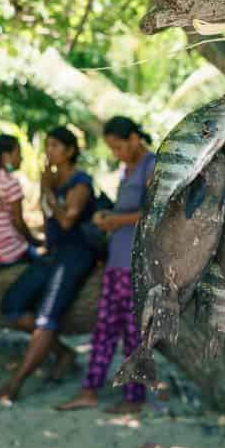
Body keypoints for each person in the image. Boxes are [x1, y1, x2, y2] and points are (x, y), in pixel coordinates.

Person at [0, 127, 99, 402]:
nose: (48, 151)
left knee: (45, 318)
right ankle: (63, 353)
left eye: (55, 146)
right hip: (53, 253)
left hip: (77, 255)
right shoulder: (50, 179)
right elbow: (48, 220)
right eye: (47, 145)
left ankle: (14, 385)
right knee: (11, 306)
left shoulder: (81, 182)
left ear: (70, 151)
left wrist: (47, 188)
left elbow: (65, 220)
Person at [57, 117, 155, 414]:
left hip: (139, 265)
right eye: (112, 149)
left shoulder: (153, 166)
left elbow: (157, 212)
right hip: (117, 262)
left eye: (119, 146)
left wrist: (116, 221)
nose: (117, 153)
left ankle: (133, 398)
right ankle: (90, 390)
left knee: (133, 335)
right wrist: (109, 218)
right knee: (104, 331)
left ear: (136, 138)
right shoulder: (128, 170)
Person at [0, 134, 42, 266]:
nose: (22, 158)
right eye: (18, 154)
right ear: (6, 157)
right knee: (41, 262)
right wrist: (34, 241)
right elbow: (18, 222)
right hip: (5, 251)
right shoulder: (10, 183)